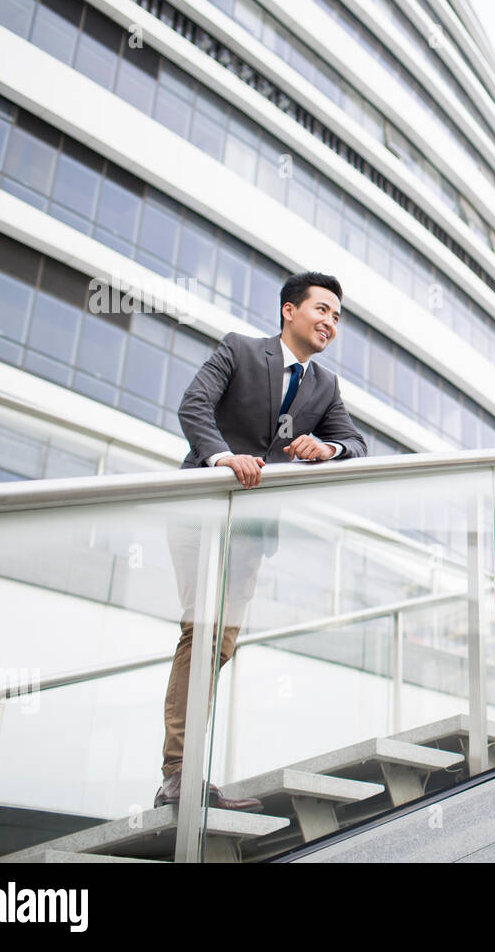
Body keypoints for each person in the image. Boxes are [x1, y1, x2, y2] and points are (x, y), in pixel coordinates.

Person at [157, 271, 369, 811]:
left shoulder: (325, 385)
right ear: (288, 311)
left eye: (338, 317)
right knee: (203, 632)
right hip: (202, 511)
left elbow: (356, 443)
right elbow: (194, 407)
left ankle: (181, 775)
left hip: (251, 531)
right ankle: (179, 776)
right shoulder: (240, 350)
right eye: (322, 310)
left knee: (219, 644)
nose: (330, 323)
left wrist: (328, 450)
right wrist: (222, 457)